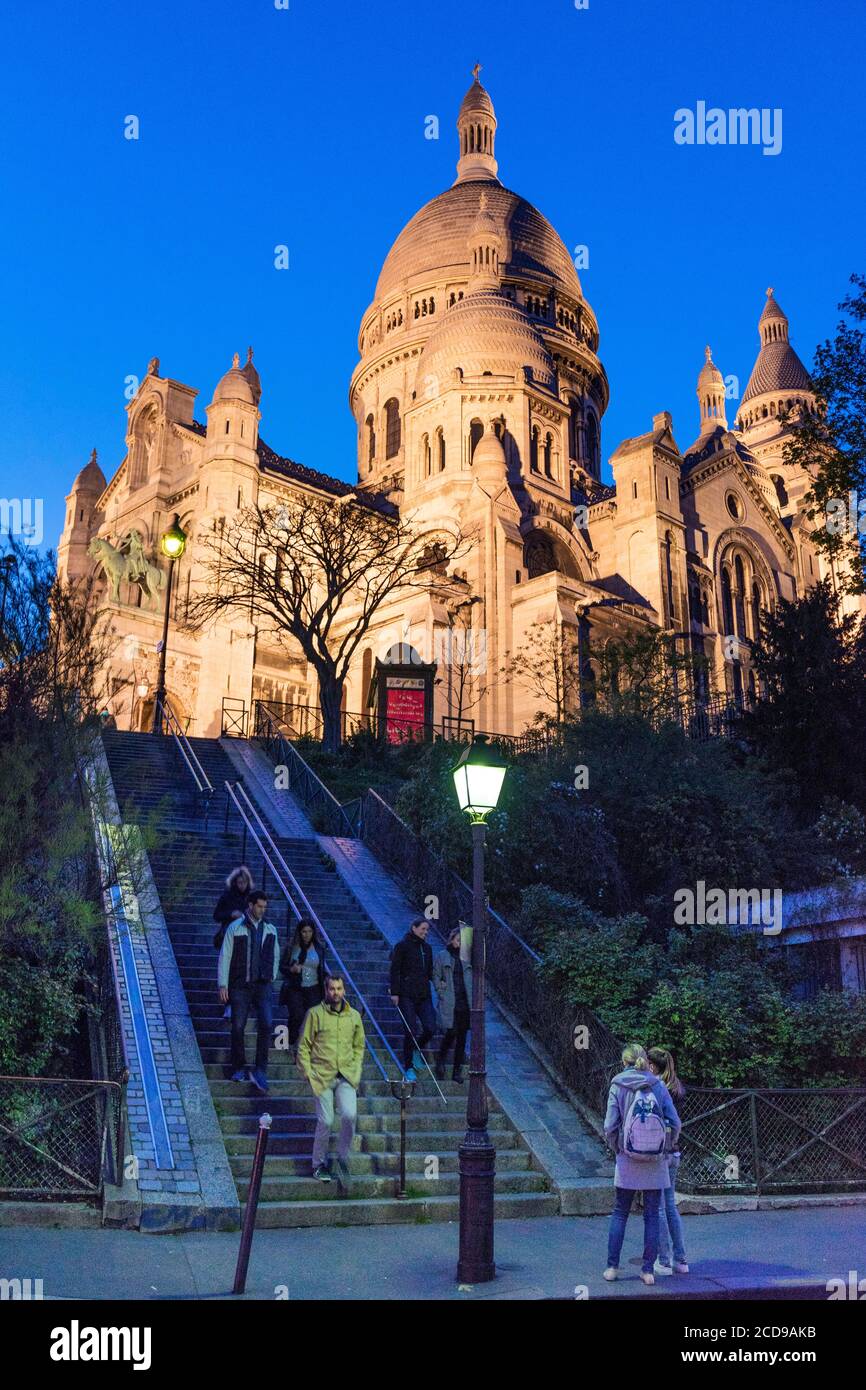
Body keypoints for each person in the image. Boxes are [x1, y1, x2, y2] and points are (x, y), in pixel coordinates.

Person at [603, 1042, 681, 1286]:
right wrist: (665, 1146)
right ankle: (648, 1271)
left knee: (620, 1213)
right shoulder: (657, 1085)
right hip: (654, 1161)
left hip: (627, 1157)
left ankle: (612, 1268)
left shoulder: (618, 1085)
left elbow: (609, 1126)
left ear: (624, 1062)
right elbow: (675, 1122)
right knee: (651, 1215)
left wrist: (617, 1147)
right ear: (645, 1061)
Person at [297, 974, 366, 1194]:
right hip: (323, 1076)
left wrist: (356, 1071)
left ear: (344, 990)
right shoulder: (315, 1014)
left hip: (346, 1075)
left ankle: (342, 1158)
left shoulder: (354, 1016)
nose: (336, 992)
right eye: (332, 989)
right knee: (325, 1120)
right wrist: (308, 1073)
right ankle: (318, 1164)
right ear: (326, 991)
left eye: (339, 988)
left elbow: (359, 1046)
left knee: (350, 1115)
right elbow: (303, 1045)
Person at [217, 891, 280, 1094]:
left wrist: (272, 976)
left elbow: (275, 953)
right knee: (237, 1026)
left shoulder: (270, 929)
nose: (262, 910)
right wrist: (223, 984)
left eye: (264, 907)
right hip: (240, 985)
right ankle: (238, 1067)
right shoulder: (235, 928)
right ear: (251, 905)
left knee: (267, 1023)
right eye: (260, 906)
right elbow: (225, 955)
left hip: (262, 985)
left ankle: (260, 1068)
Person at [648, 1045, 689, 1276]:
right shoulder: (677, 1086)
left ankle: (663, 1261)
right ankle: (681, 1259)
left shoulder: (658, 1089)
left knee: (660, 1208)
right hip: (675, 1152)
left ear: (652, 1066)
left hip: (661, 1152)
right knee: (670, 1205)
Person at [389, 917, 435, 1081]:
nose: (425, 932)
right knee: (410, 1029)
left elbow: (430, 972)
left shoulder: (427, 949)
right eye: (423, 929)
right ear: (414, 928)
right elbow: (395, 970)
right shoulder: (402, 946)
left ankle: (417, 1049)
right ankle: (408, 1067)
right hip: (406, 994)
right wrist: (395, 992)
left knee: (430, 1027)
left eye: (427, 930)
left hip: (424, 995)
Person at [280, 918, 327, 1059]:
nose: (307, 934)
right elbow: (282, 967)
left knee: (311, 1018)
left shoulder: (319, 948)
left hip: (314, 988)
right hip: (295, 987)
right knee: (297, 1015)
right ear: (299, 932)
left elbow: (321, 968)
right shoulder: (291, 947)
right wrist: (291, 969)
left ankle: (304, 1048)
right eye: (304, 932)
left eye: (309, 931)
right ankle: (290, 1042)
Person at [433, 926, 472, 1083]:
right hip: (450, 1001)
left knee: (462, 1037)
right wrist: (441, 992)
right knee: (451, 1032)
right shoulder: (443, 955)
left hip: (465, 1001)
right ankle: (440, 1060)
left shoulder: (466, 958)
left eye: (463, 941)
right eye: (458, 940)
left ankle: (457, 1071)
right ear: (451, 939)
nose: (460, 944)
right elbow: (436, 976)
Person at [212, 866, 253, 949]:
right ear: (235, 882)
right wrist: (231, 914)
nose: (242, 885)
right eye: (240, 882)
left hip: (245, 934)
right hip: (229, 933)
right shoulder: (227, 896)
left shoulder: (251, 897)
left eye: (245, 882)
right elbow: (216, 915)